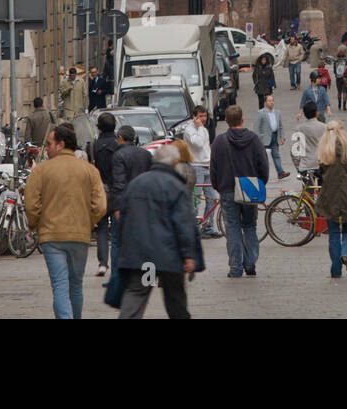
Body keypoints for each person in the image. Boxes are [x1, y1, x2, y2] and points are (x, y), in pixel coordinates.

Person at [24, 123, 107, 319]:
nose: (48, 148)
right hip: (80, 234)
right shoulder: (90, 170)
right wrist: (89, 222)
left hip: (52, 235)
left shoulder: (41, 171)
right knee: (75, 285)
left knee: (60, 286)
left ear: (60, 144)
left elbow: (31, 204)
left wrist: (35, 224)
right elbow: (101, 206)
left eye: (50, 144)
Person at [114, 145, 204, 319]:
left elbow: (123, 218)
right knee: (175, 300)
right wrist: (188, 255)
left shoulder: (136, 184)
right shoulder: (175, 186)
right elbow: (183, 224)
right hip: (169, 257)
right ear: (175, 163)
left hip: (142, 257)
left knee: (138, 293)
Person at [210, 104, 269, 278]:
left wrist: (217, 186)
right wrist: (260, 183)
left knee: (232, 227)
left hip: (228, 188)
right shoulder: (254, 139)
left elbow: (213, 168)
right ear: (242, 118)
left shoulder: (219, 141)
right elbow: (264, 166)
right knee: (250, 225)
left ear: (226, 121)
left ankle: (235, 267)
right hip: (250, 188)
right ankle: (250, 264)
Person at [315, 121, 347, 278]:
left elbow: (320, 173)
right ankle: (346, 253)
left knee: (334, 233)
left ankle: (336, 270)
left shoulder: (325, 154)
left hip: (330, 197)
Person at [108, 125, 153, 274]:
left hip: (126, 204)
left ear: (120, 138)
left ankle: (117, 278)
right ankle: (148, 277)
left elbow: (119, 184)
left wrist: (117, 208)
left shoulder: (118, 156)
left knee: (117, 241)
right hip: (144, 204)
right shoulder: (146, 154)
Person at [87, 112, 121, 274]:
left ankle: (102, 263)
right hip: (116, 191)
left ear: (98, 127)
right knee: (115, 229)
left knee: (100, 228)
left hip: (99, 191)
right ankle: (116, 265)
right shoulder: (119, 145)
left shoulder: (92, 146)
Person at [182, 106, 223, 238]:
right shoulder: (190, 130)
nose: (203, 119)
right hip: (195, 167)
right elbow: (198, 144)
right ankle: (193, 229)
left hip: (207, 166)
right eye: (200, 116)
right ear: (194, 117)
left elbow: (206, 148)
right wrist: (199, 127)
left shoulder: (203, 129)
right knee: (195, 200)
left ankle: (208, 226)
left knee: (212, 198)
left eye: (204, 116)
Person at [254, 94, 290, 179]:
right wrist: (258, 139)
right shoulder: (261, 113)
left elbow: (280, 126)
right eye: (269, 101)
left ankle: (280, 172)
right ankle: (261, 173)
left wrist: (282, 136)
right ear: (265, 103)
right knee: (263, 158)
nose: (271, 103)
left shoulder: (277, 112)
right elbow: (257, 127)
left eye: (272, 101)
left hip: (274, 136)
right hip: (264, 138)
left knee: (276, 155)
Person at [291, 101, 326, 173]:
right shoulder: (324, 128)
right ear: (317, 113)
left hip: (305, 165)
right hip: (322, 165)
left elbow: (294, 151)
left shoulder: (299, 128)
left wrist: (298, 166)